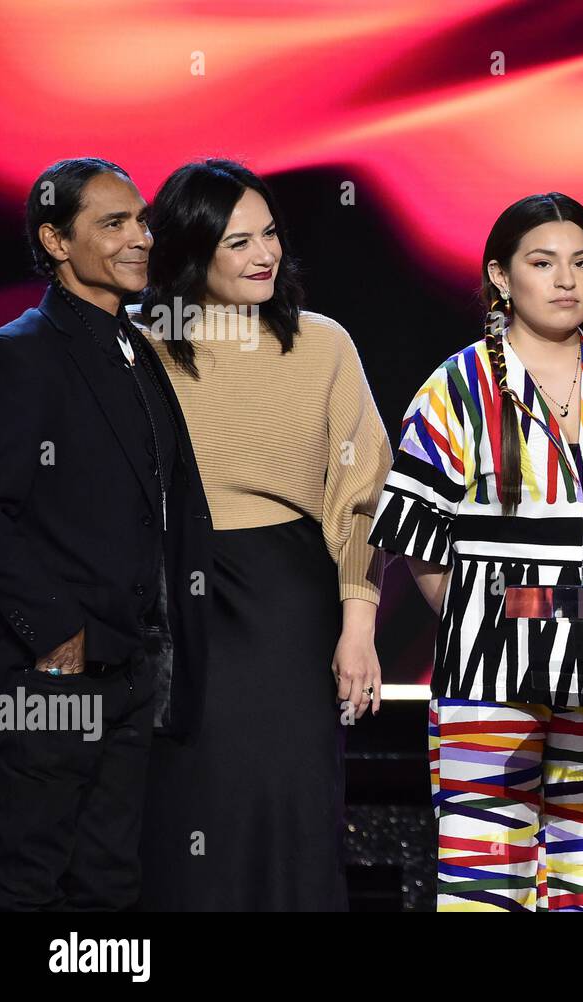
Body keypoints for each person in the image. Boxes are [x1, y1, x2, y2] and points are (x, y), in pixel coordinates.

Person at [134, 160, 391, 911]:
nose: (264, 254)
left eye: (271, 233)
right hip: (176, 603)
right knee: (187, 810)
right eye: (238, 240)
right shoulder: (143, 347)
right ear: (189, 251)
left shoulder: (324, 344)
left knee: (293, 806)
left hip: (289, 603)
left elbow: (361, 498)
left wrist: (358, 625)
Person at [368, 193, 583, 911]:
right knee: (488, 877)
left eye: (582, 263)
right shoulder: (454, 386)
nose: (566, 280)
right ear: (500, 276)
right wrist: (480, 625)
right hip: (490, 669)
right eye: (543, 263)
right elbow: (419, 540)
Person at [0, 158, 211, 910]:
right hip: (48, 677)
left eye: (142, 221)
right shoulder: (20, 354)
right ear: (56, 242)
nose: (141, 239)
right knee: (28, 876)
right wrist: (55, 635)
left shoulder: (138, 351)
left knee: (111, 883)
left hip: (130, 671)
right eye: (114, 223)